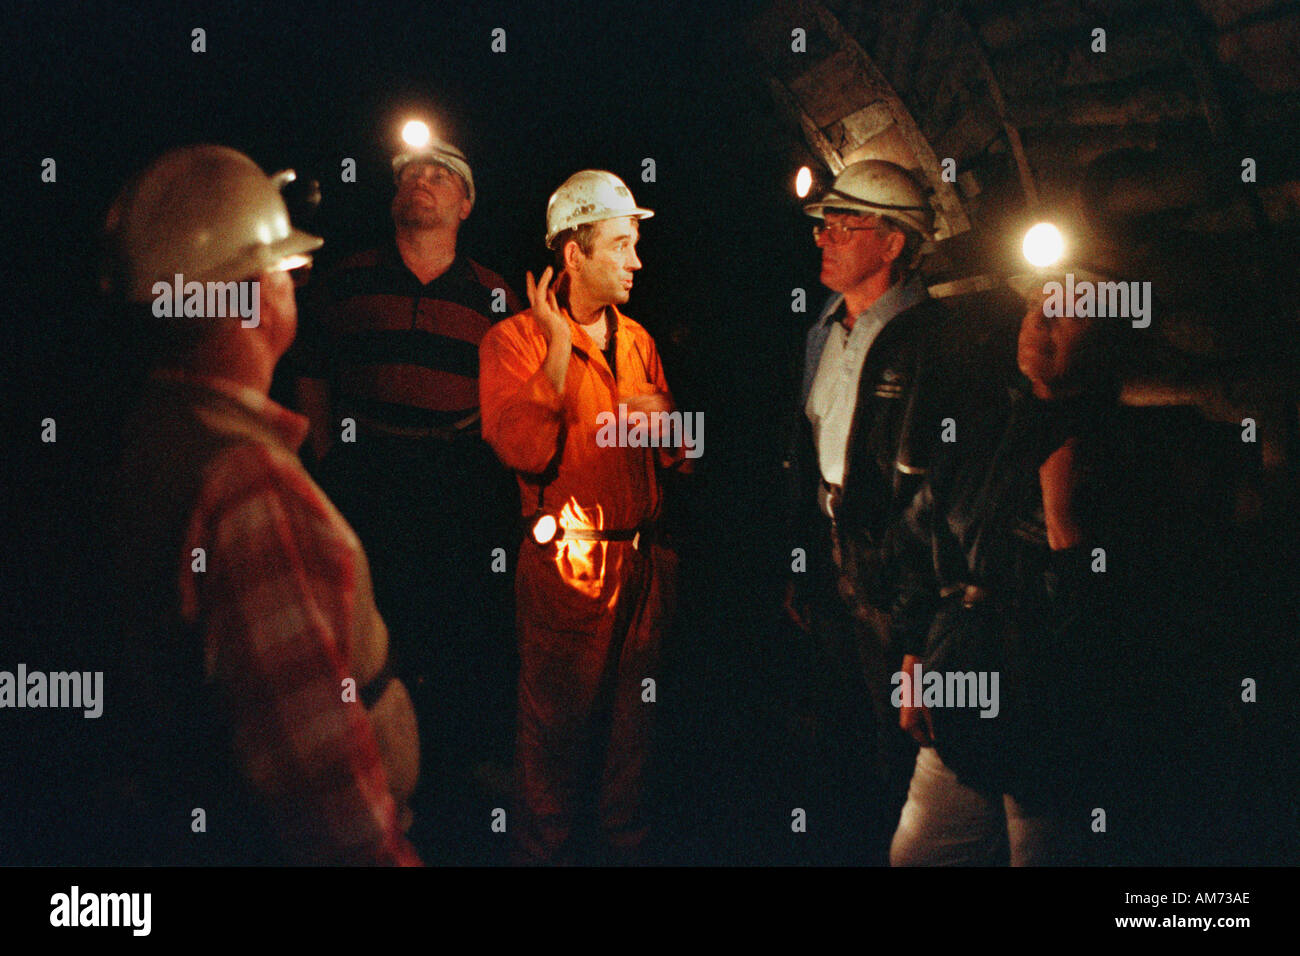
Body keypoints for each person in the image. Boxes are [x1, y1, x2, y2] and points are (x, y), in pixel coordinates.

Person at [98, 145, 420, 865]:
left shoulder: (156, 427)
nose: (294, 286)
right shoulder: (246, 485)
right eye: (285, 270)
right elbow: (327, 805)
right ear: (248, 297)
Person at [291, 134, 522, 851]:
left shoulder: (493, 292)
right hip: (370, 472)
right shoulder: (349, 279)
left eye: (439, 175)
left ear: (465, 203)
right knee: (367, 623)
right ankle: (365, 776)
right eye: (411, 174)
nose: (421, 182)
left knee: (452, 619)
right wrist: (327, 461)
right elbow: (313, 373)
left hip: (454, 477)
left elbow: (512, 392)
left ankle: (448, 779)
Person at [479, 170, 688, 864]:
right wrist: (560, 352)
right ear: (574, 254)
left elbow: (680, 458)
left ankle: (626, 852)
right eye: (621, 245)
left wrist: (674, 426)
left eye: (635, 244)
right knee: (554, 743)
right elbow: (525, 448)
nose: (636, 261)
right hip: (569, 564)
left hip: (645, 565)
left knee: (634, 741)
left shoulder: (639, 342)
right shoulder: (512, 342)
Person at [887, 286, 1125, 866]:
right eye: (1037, 307)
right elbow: (926, 535)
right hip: (960, 677)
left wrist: (1065, 525)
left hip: (1048, 707)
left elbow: (1115, 615)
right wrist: (916, 658)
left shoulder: (1119, 447)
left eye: (1065, 318)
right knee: (919, 859)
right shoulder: (987, 420)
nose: (1038, 323)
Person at [781, 159, 959, 858]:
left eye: (843, 225)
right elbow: (806, 450)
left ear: (891, 242)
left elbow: (932, 493)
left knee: (898, 747)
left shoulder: (931, 341)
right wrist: (802, 563)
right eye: (823, 224)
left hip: (892, 579)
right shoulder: (823, 328)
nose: (823, 237)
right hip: (833, 561)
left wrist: (915, 623)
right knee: (838, 731)